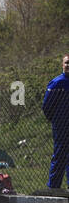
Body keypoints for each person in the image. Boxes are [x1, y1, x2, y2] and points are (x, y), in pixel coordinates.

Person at [41, 54, 69, 189]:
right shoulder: (57, 82)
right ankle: (53, 187)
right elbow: (47, 106)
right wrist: (57, 120)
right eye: (67, 63)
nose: (68, 65)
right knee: (60, 155)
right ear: (62, 65)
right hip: (61, 126)